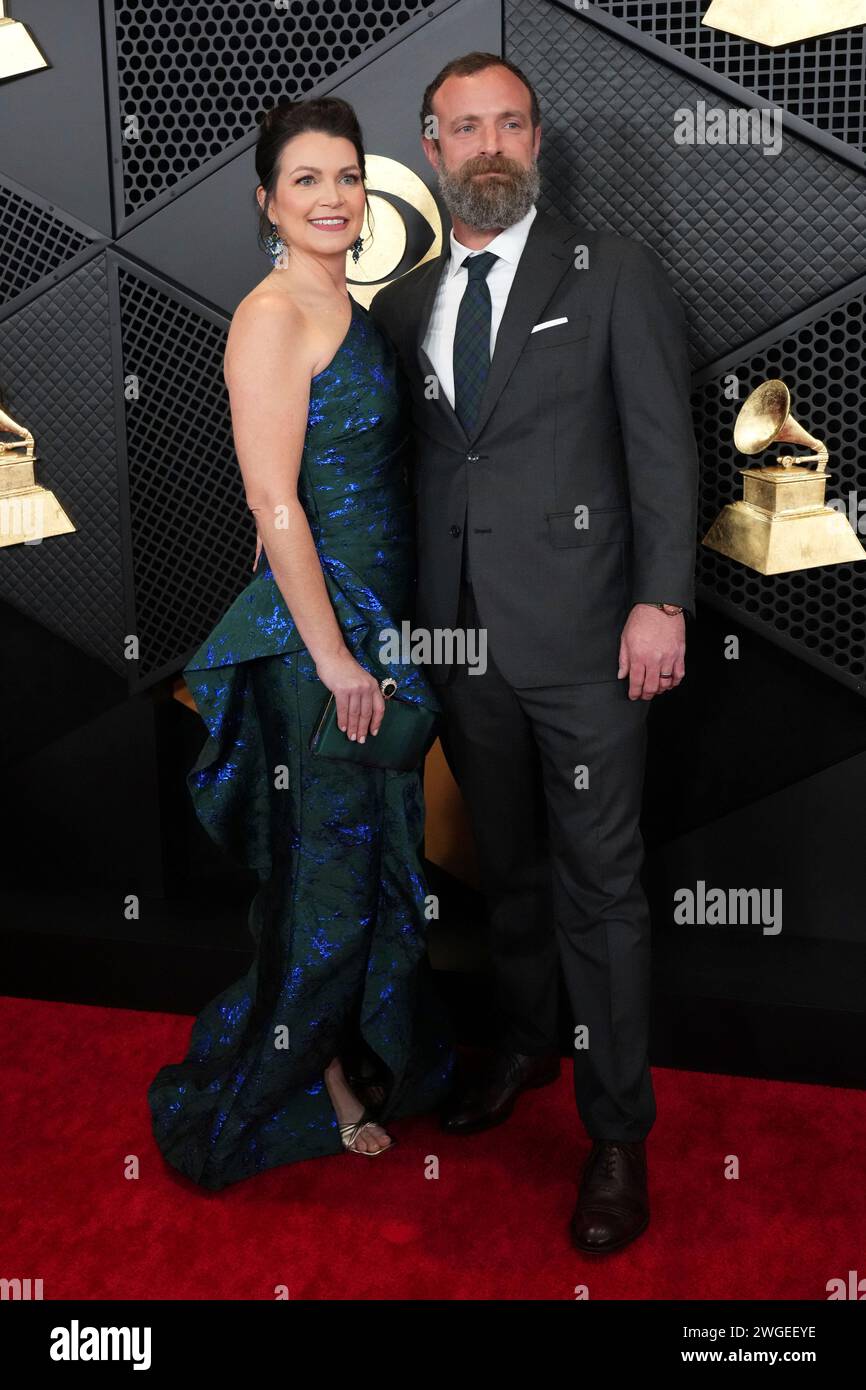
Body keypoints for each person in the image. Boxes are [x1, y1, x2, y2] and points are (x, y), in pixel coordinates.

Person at [369, 52, 699, 1252]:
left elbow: (661, 449)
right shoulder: (402, 305)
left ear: (536, 140)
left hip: (588, 642)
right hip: (457, 643)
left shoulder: (610, 272)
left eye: (510, 123)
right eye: (465, 127)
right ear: (431, 147)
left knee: (598, 889)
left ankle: (615, 1137)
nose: (490, 145)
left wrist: (660, 601)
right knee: (505, 869)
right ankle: (520, 1046)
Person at [148, 96, 455, 1190]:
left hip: (369, 629)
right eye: (307, 180)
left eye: (347, 176)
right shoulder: (272, 313)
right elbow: (272, 500)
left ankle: (347, 1054)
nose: (333, 197)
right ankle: (307, 1081)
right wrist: (328, 659)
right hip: (326, 647)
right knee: (324, 877)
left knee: (362, 864)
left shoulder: (344, 304)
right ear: (267, 201)